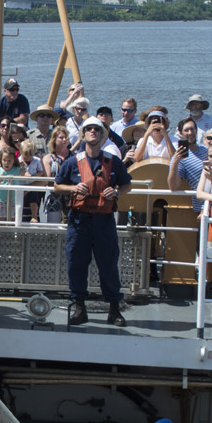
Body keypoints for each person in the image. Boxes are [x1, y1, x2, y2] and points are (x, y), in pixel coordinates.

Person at [53, 118, 131, 326]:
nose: (93, 132)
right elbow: (57, 186)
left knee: (108, 263)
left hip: (104, 221)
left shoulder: (113, 161)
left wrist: (115, 192)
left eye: (97, 129)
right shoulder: (72, 162)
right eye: (89, 129)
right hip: (79, 221)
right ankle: (80, 308)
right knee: (76, 263)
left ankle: (114, 309)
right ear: (83, 134)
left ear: (103, 134)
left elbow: (127, 185)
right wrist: (73, 189)